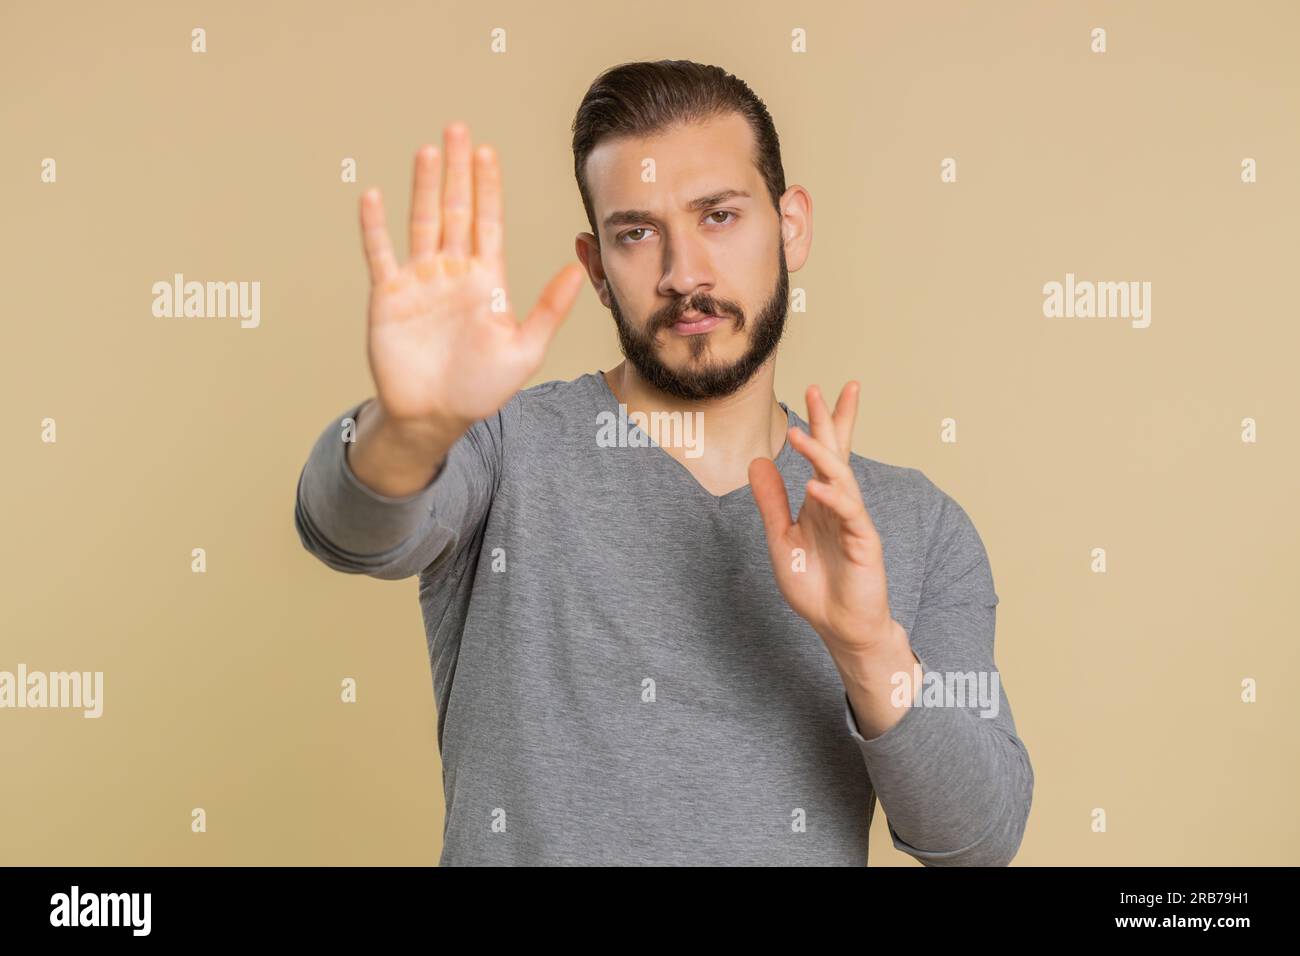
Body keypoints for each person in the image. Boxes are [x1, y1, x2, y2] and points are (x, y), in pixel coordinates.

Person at [294, 59, 1033, 866]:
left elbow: (978, 838)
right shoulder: (502, 446)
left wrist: (868, 649)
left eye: (718, 215)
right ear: (597, 270)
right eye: (637, 233)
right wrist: (409, 427)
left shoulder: (914, 524)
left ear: (791, 227)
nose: (685, 275)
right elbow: (350, 531)